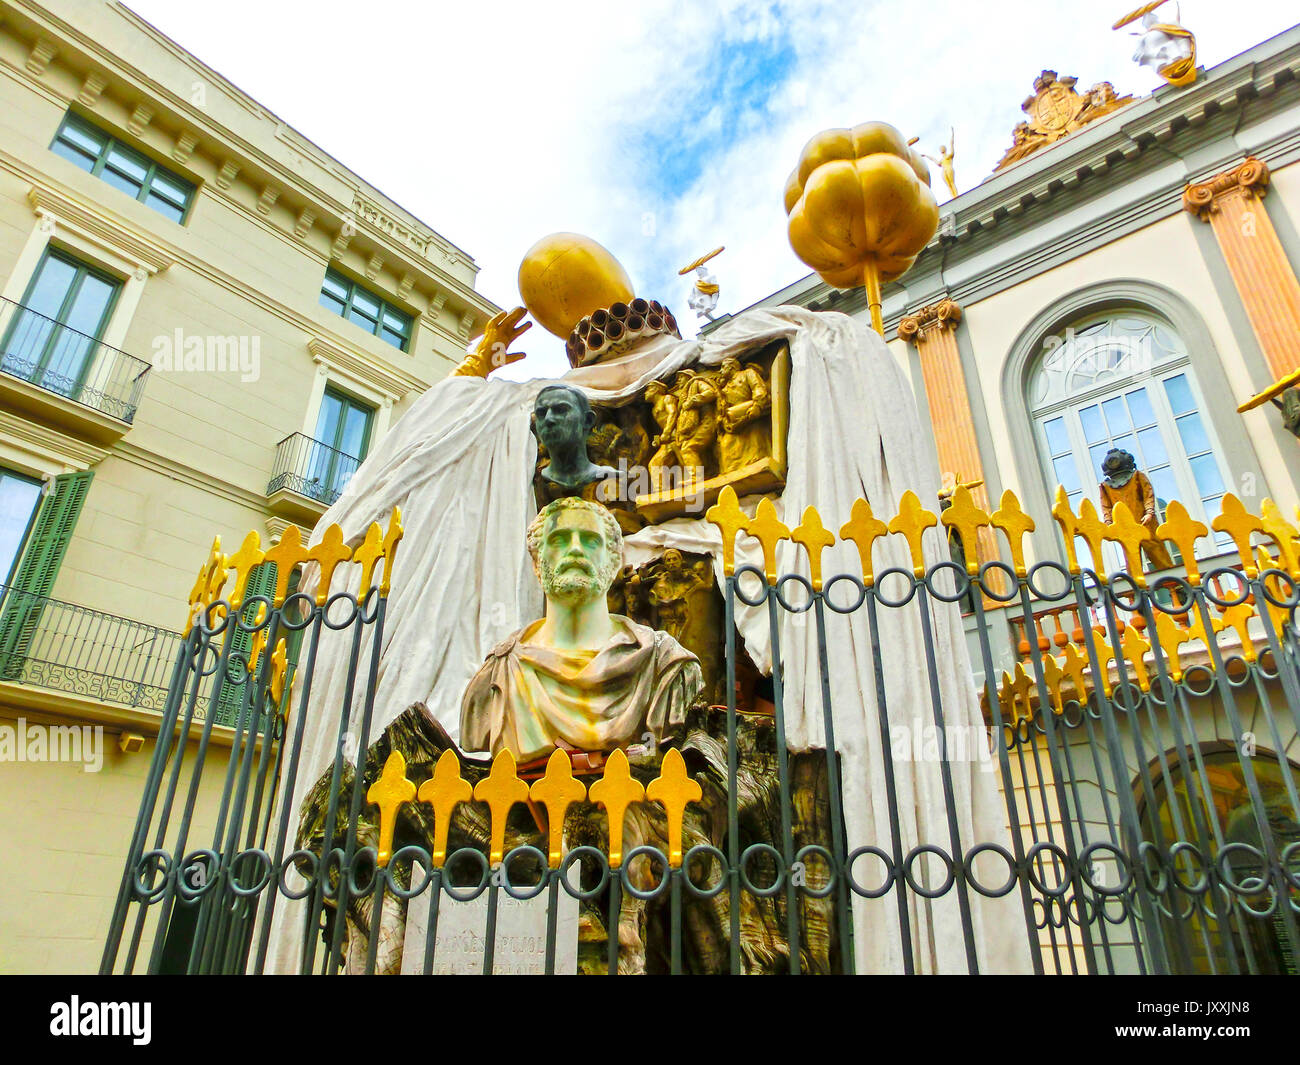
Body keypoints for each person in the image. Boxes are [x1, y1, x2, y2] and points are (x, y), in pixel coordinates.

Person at [460, 497, 702, 766]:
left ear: (613, 565)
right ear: (536, 564)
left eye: (590, 541)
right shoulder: (499, 674)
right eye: (560, 540)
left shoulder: (665, 666)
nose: (575, 550)